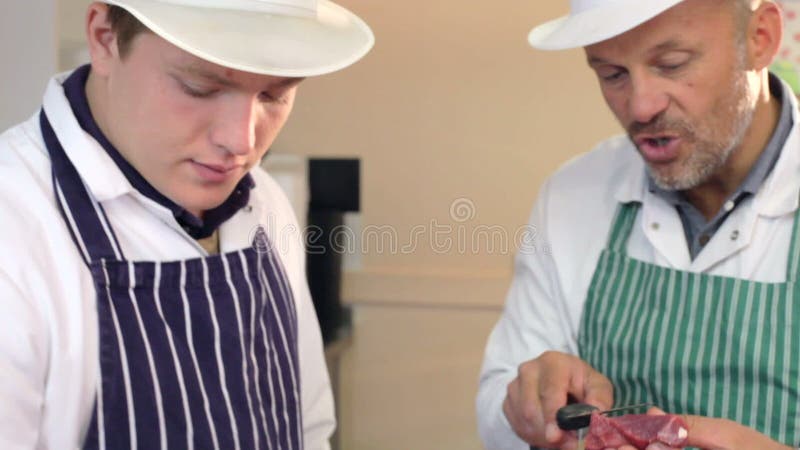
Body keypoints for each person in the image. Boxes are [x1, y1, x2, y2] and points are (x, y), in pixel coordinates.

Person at [0, 0, 373, 448]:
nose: (242, 141)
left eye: (274, 95)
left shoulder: (266, 201)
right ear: (104, 38)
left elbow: (308, 428)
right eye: (199, 87)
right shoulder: (15, 223)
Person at [477, 0, 800, 449]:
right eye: (612, 74)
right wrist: (532, 407)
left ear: (760, 38)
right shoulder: (572, 196)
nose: (641, 107)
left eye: (671, 64)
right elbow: (497, 407)